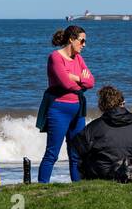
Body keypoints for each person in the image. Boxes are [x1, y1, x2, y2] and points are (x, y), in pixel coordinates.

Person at [36, 25, 95, 183]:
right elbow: (65, 84)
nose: (84, 44)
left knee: (76, 154)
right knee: (52, 154)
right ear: (71, 39)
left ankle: (77, 189)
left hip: (78, 111)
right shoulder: (55, 57)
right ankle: (41, 188)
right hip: (58, 110)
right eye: (82, 41)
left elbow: (91, 82)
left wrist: (75, 78)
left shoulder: (78, 58)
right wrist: (81, 82)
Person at [71, 86, 132, 181]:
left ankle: (78, 182)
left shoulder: (94, 127)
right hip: (130, 171)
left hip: (103, 174)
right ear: (122, 103)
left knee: (81, 154)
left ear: (102, 105)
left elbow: (76, 148)